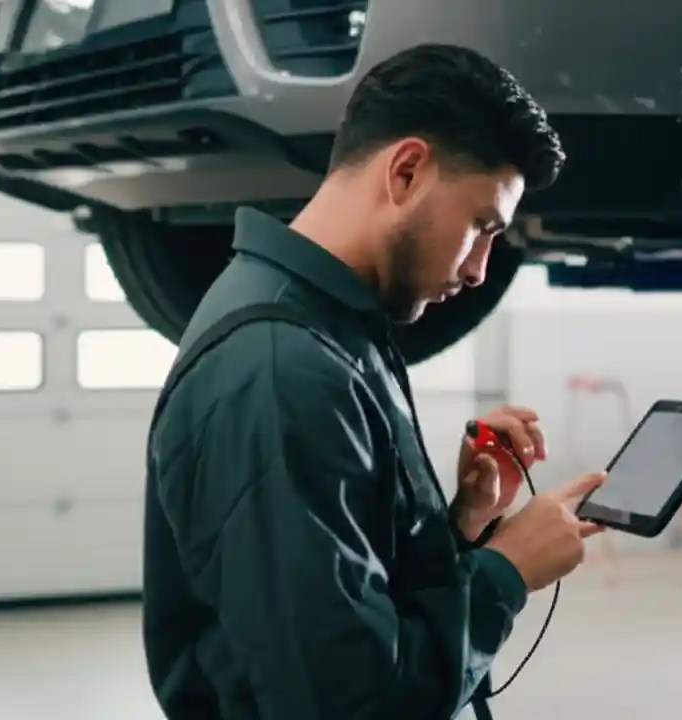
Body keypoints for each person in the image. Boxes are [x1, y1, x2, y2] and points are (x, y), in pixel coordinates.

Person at [142, 43, 608, 719]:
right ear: (407, 171)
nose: (480, 269)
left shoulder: (328, 321)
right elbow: (346, 703)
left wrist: (464, 524)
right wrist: (505, 573)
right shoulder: (280, 369)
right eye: (481, 226)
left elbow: (349, 602)